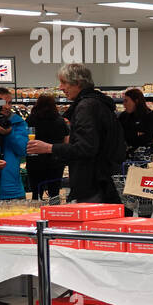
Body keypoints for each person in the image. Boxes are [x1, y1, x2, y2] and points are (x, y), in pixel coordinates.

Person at [26, 64, 124, 204]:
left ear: (77, 83)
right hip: (105, 182)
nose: (60, 87)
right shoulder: (100, 104)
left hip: (93, 185)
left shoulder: (86, 107)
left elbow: (86, 147)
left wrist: (49, 148)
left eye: (64, 82)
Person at [25, 94, 69, 200]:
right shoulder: (60, 120)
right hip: (55, 161)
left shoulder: (31, 119)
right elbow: (66, 141)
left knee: (36, 192)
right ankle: (54, 212)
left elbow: (24, 138)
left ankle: (36, 210)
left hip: (34, 161)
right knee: (54, 193)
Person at [118, 87, 153, 152]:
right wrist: (137, 133)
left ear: (136, 101)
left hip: (147, 157)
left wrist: (129, 134)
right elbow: (119, 136)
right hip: (126, 156)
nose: (124, 104)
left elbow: (148, 138)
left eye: (126, 101)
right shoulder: (123, 116)